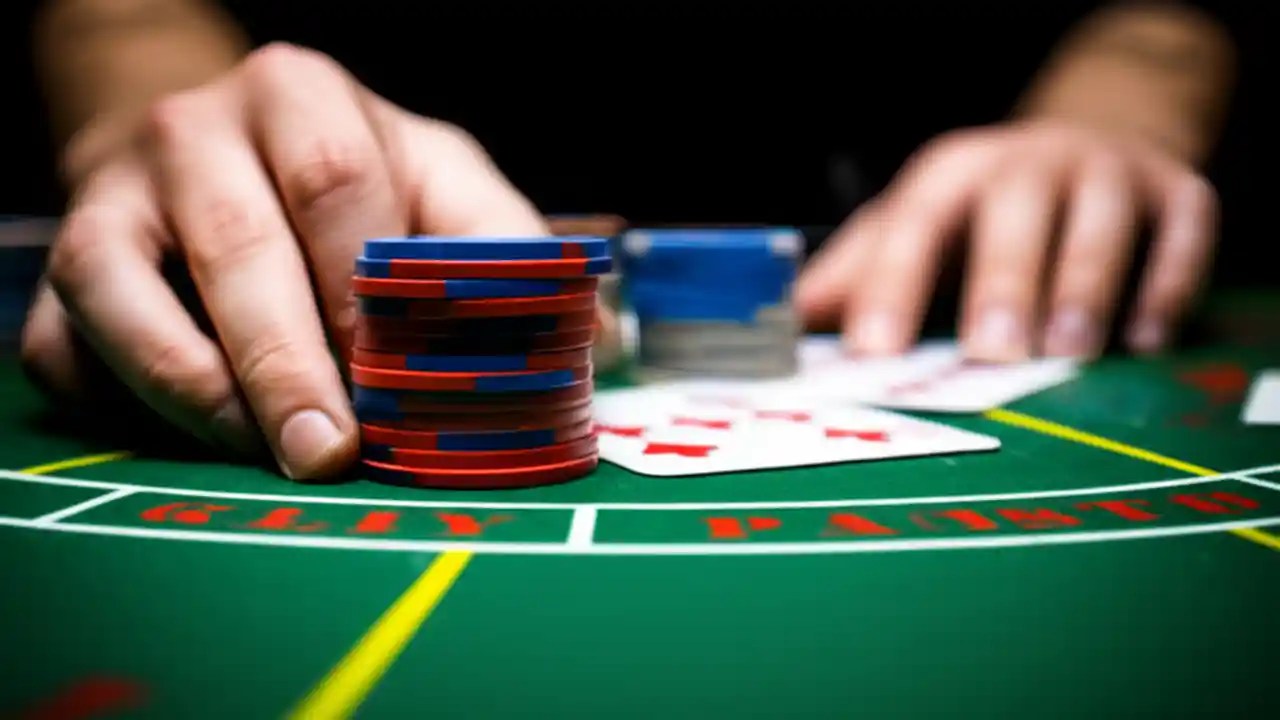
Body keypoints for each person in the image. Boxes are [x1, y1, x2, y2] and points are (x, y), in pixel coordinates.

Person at [20, 0, 1237, 480]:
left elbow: (1160, 21)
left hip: (871, 235)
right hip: (351, 188)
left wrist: (1114, 116)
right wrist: (147, 124)